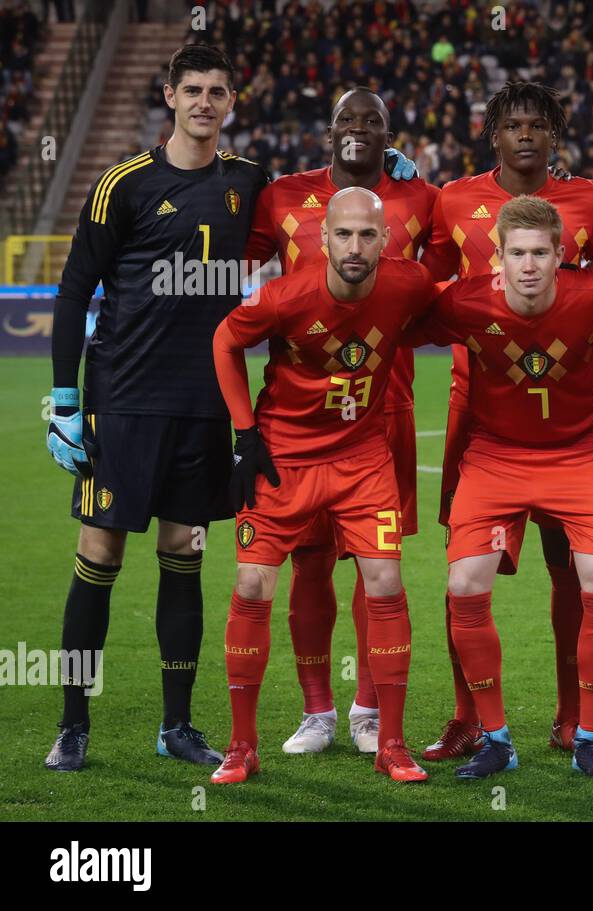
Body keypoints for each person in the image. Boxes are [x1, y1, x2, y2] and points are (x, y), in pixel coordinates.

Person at [43, 45, 266, 772]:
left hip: (203, 406)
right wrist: (67, 402)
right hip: (124, 403)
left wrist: (383, 165)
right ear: (169, 95)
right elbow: (74, 290)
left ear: (233, 100)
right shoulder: (124, 184)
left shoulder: (248, 183)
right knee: (100, 552)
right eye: (193, 89)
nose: (205, 101)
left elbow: (316, 201)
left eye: (218, 91)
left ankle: (177, 724)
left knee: (184, 552)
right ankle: (73, 724)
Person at [419, 81, 593, 763]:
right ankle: (468, 716)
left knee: (572, 568)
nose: (525, 135)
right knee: (463, 566)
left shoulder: (589, 202)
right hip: (479, 405)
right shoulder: (453, 199)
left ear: (555, 134)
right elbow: (430, 279)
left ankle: (571, 717)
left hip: (567, 407)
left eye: (538, 125)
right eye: (512, 124)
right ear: (493, 132)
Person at [209, 188, 434, 784]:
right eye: (343, 234)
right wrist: (244, 434)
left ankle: (391, 743)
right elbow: (226, 340)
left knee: (384, 579)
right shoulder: (285, 297)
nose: (355, 246)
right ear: (322, 239)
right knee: (253, 582)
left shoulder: (408, 284)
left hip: (362, 457)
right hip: (284, 459)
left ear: (385, 241)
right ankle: (242, 745)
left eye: (367, 235)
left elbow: (458, 312)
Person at [242, 87, 439, 757]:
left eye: (374, 121)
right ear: (328, 131)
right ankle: (317, 710)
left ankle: (367, 709)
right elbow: (239, 272)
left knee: (377, 567)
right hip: (298, 414)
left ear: (391, 133)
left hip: (385, 404)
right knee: (310, 562)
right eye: (347, 119)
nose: (359, 129)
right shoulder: (282, 195)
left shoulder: (423, 198)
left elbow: (436, 291)